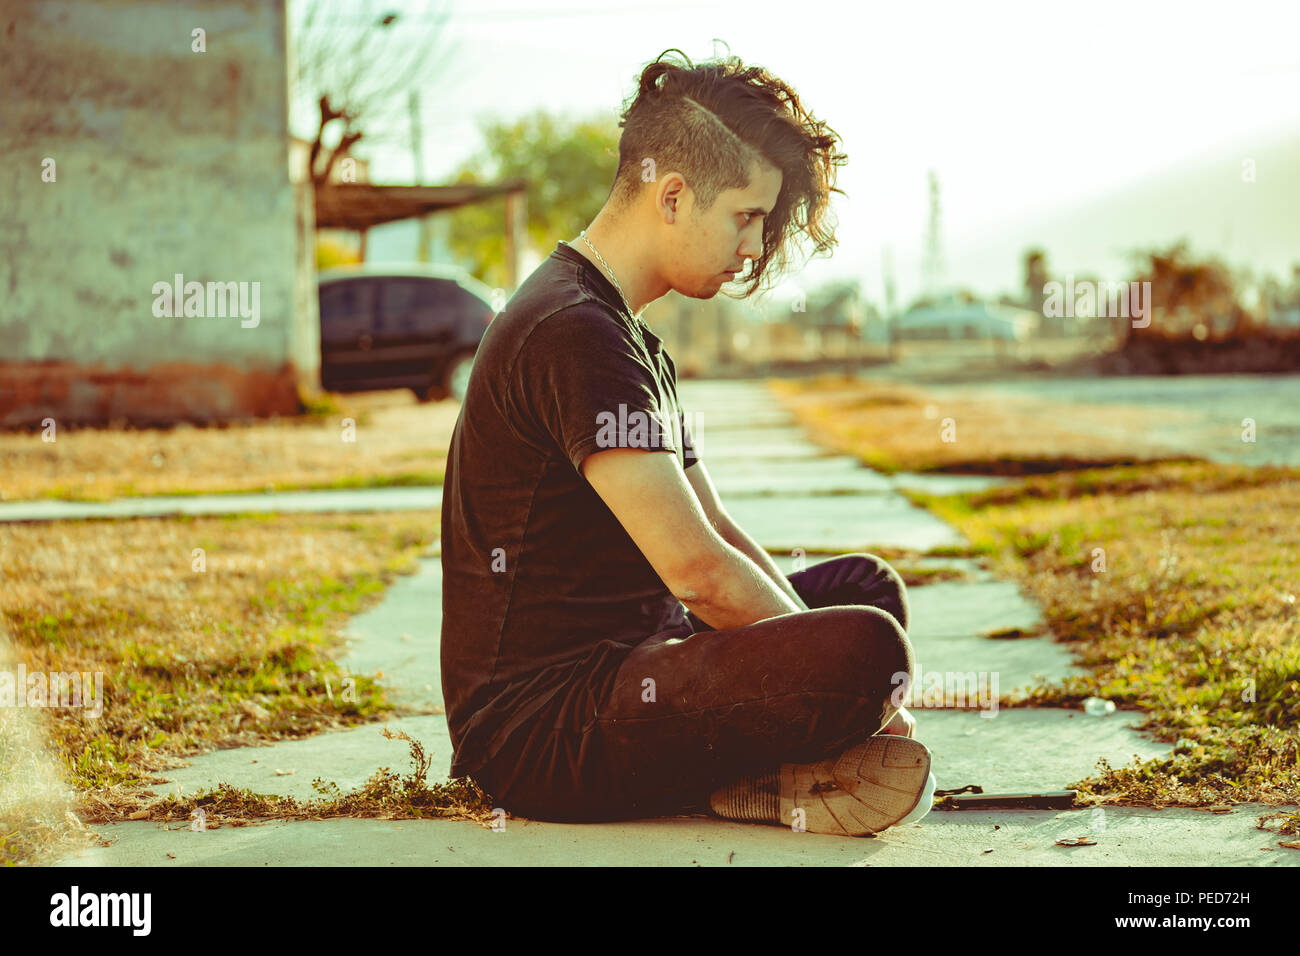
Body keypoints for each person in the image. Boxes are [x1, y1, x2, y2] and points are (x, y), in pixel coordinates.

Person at [440, 47, 936, 835]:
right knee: (866, 653)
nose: (753, 246)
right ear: (672, 196)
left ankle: (763, 771)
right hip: (538, 735)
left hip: (636, 659)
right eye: (746, 216)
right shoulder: (574, 332)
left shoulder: (624, 332)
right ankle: (763, 770)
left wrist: (811, 652)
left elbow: (717, 534)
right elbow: (698, 574)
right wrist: (849, 696)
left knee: (867, 593)